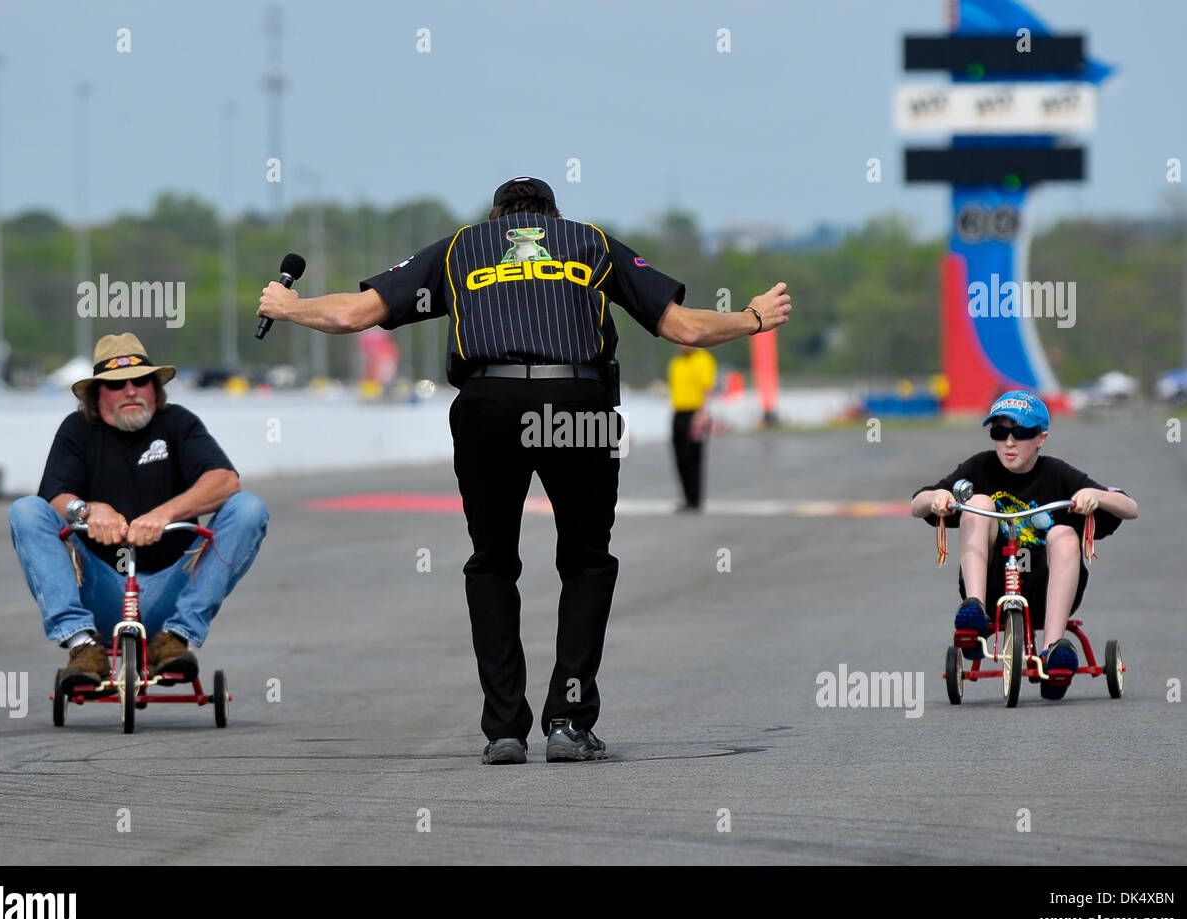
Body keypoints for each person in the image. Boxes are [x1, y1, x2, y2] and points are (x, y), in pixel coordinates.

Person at [257, 176, 791, 761]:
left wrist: (290, 307)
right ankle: (567, 723)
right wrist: (754, 319)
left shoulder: (462, 247)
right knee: (586, 562)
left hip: (489, 406)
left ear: (497, 217)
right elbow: (684, 328)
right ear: (553, 215)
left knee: (492, 565)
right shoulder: (589, 243)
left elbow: (353, 315)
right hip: (578, 405)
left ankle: (506, 730)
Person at [9, 333, 269, 692]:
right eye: (117, 384)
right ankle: (82, 645)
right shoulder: (77, 431)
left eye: (140, 380)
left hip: (173, 588)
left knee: (249, 508)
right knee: (25, 510)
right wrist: (88, 511)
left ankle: (179, 637)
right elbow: (53, 497)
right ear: (97, 394)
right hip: (100, 586)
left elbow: (225, 481)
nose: (130, 390)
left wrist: (164, 514)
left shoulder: (178, 423)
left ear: (155, 388)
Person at [910, 390, 1138, 699]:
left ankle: (1053, 649)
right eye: (1000, 431)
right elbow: (917, 503)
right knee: (977, 502)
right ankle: (974, 613)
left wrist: (1096, 496)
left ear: (1041, 437)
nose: (1009, 442)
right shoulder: (980, 468)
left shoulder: (1057, 475)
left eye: (1021, 432)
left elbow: (1130, 507)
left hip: (1045, 587)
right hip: (992, 586)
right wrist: (939, 498)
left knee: (1064, 534)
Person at [668, 344, 717, 511]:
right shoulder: (676, 362)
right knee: (680, 456)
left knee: (693, 457)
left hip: (696, 413)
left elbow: (707, 389)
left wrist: (702, 414)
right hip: (679, 412)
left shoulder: (703, 360)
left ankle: (695, 499)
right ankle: (687, 497)